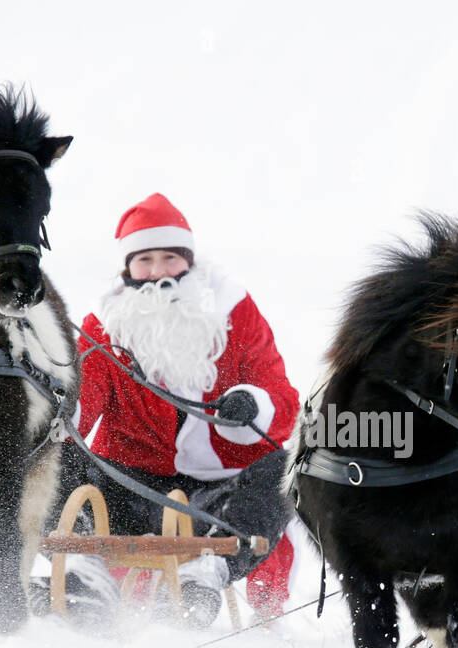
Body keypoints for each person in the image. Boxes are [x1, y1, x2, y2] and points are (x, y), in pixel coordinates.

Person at [50, 193, 300, 626]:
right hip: (128, 485)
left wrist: (253, 403)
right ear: (127, 269)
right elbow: (78, 407)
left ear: (189, 261)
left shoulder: (234, 311)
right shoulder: (103, 326)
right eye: (144, 260)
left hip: (219, 493)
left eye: (170, 258)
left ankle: (209, 571)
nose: (158, 274)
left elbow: (279, 395)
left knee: (284, 468)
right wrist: (54, 406)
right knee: (52, 453)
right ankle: (88, 570)